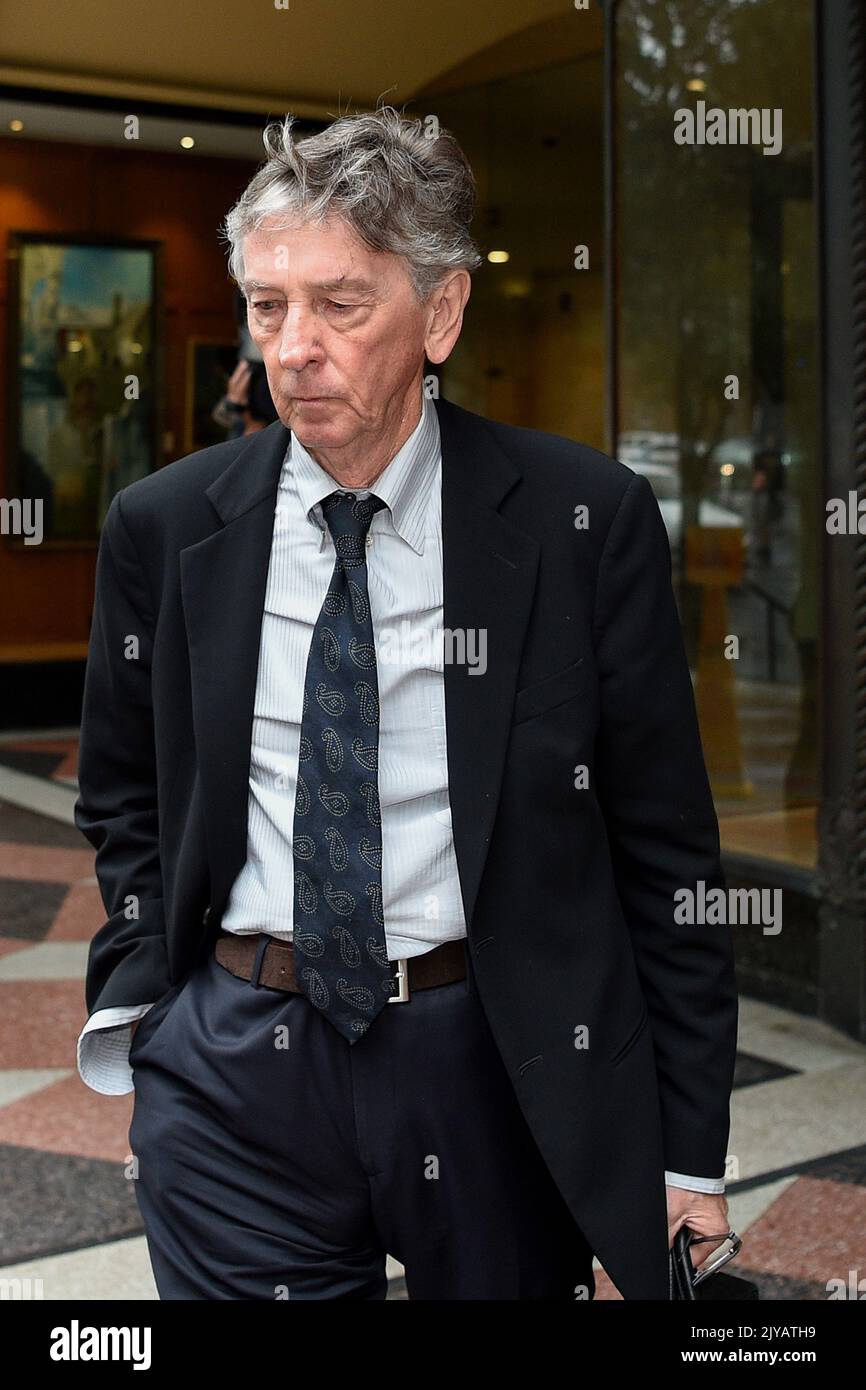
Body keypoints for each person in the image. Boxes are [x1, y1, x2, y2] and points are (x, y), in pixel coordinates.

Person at [74, 106, 738, 1301]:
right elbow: (124, 789)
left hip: (490, 1067)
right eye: (268, 307)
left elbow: (663, 853)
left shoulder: (578, 525)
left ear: (438, 313)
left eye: (339, 304)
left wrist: (685, 1149)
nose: (292, 348)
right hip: (236, 1065)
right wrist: (147, 1008)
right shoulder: (165, 526)